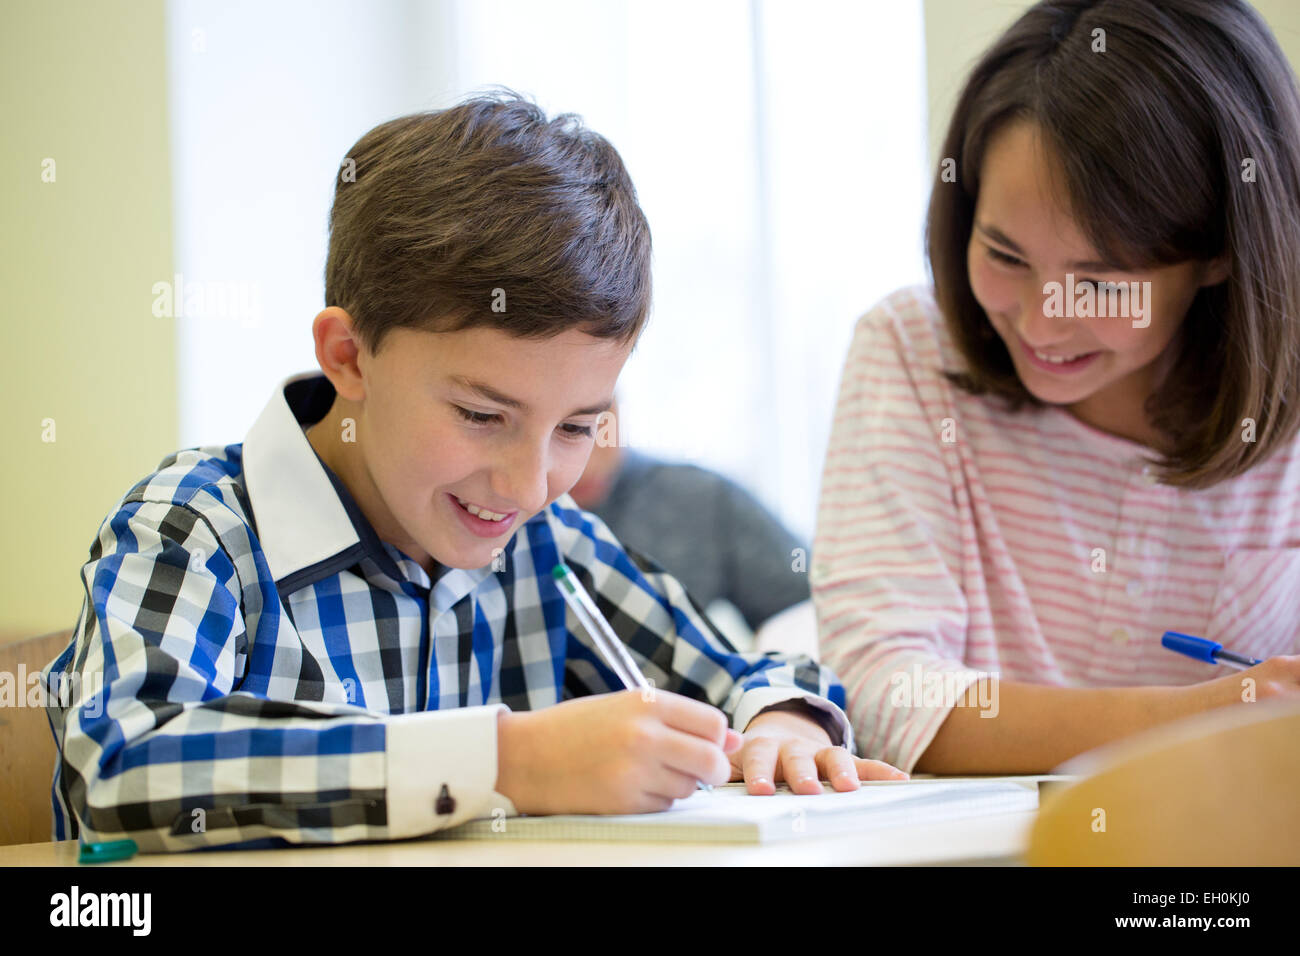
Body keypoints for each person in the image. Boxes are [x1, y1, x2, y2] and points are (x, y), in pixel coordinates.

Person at [42, 93, 905, 853]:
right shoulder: (198, 526)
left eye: (576, 426)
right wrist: (504, 761)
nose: (529, 486)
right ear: (350, 356)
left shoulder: (538, 543)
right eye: (481, 416)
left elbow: (748, 673)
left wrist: (780, 721)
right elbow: (121, 767)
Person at [814, 0, 1300, 775]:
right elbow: (885, 690)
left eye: (1100, 282)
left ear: (1220, 256)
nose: (1040, 326)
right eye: (1005, 256)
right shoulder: (908, 349)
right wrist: (1216, 713)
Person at [568, 400, 812, 641]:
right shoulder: (538, 521)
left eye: (600, 416)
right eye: (568, 428)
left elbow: (809, 602)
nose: (589, 454)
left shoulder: (700, 497)